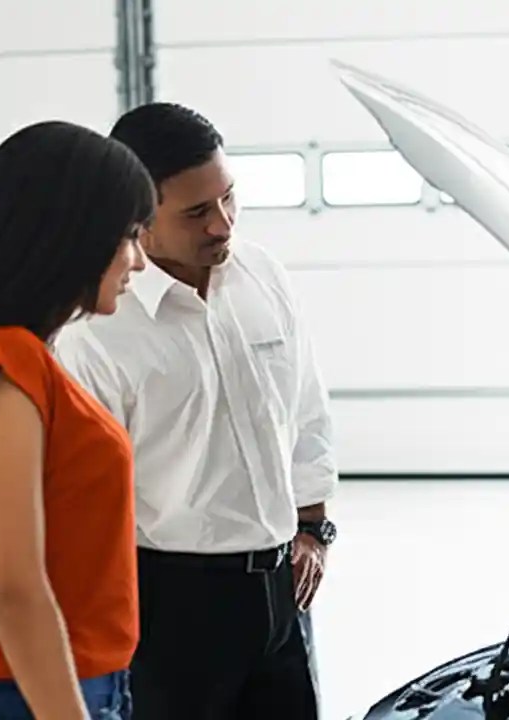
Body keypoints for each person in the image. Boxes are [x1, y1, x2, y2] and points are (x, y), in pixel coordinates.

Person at [53, 102, 337, 720]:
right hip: (169, 607)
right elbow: (80, 503)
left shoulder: (262, 276)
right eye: (196, 212)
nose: (223, 225)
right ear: (136, 218)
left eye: (229, 199)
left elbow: (306, 409)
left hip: (281, 590)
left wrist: (315, 525)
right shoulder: (95, 332)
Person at [0, 120, 154, 720]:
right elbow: (15, 588)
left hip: (54, 684)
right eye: (128, 236)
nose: (140, 260)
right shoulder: (9, 361)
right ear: (70, 235)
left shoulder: (18, 360)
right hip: (27, 693)